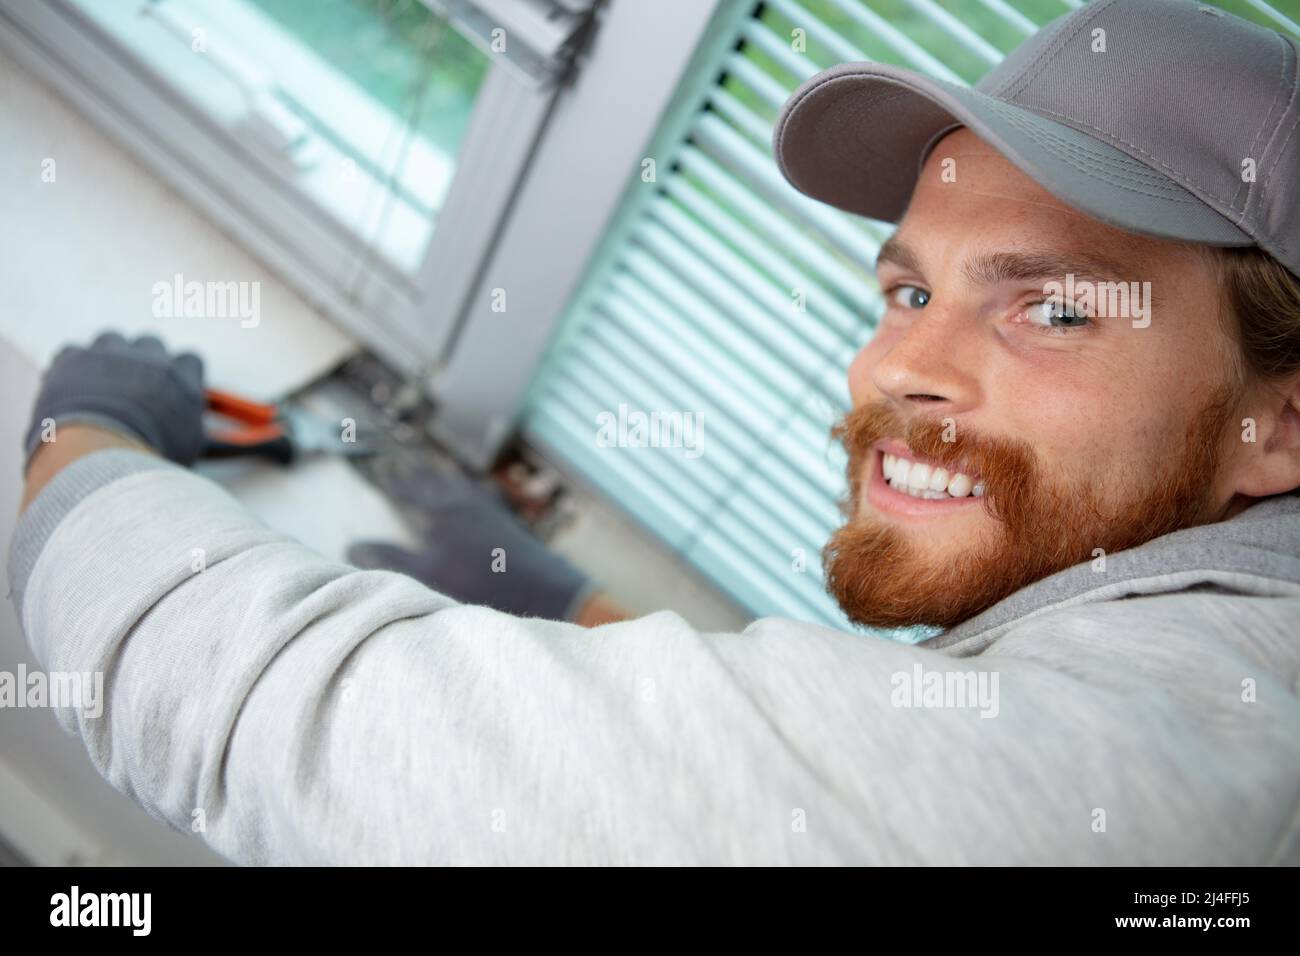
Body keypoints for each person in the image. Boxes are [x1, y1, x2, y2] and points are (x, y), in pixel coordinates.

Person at [9, 0, 1300, 865]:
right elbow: (847, 760)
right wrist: (571, 607)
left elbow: (253, 712)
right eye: (906, 291)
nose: (899, 363)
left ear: (1280, 423)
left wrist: (88, 435)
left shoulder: (1158, 770)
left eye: (1057, 307)